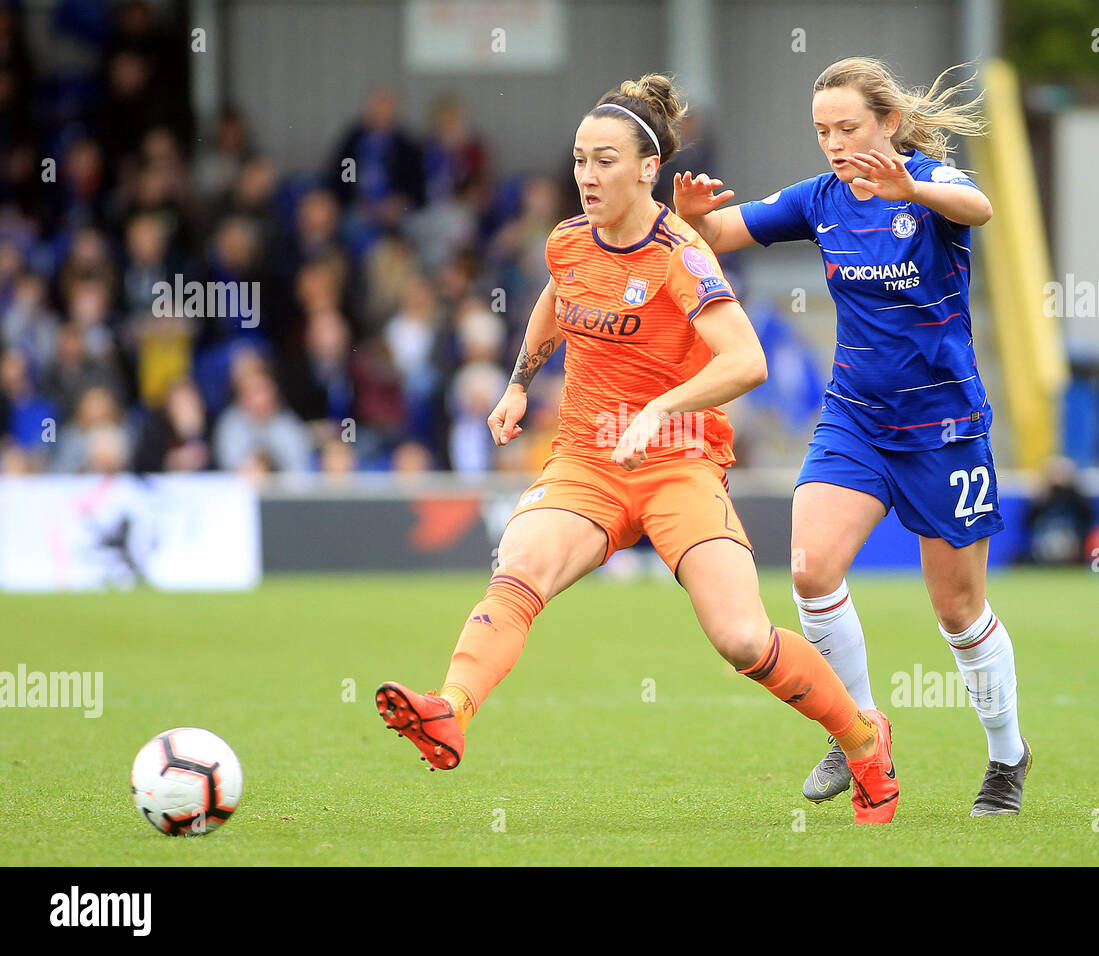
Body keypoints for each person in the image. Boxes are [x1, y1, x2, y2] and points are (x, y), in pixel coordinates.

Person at [376, 74, 899, 825]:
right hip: (588, 461)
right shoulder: (566, 241)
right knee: (519, 566)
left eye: (605, 160)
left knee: (743, 639)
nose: (587, 176)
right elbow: (557, 299)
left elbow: (744, 360)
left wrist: (660, 408)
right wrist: (519, 384)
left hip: (679, 461)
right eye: (581, 160)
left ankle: (862, 740)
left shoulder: (680, 255)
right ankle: (449, 707)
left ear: (648, 169)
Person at [673, 56, 1029, 816]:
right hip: (856, 419)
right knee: (809, 569)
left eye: (848, 127)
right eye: (822, 131)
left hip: (945, 429)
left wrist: (910, 187)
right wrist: (696, 215)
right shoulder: (821, 200)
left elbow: (981, 209)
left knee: (958, 612)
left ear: (888, 124)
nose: (833, 143)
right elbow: (722, 235)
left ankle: (1006, 757)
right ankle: (861, 730)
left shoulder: (931, 185)